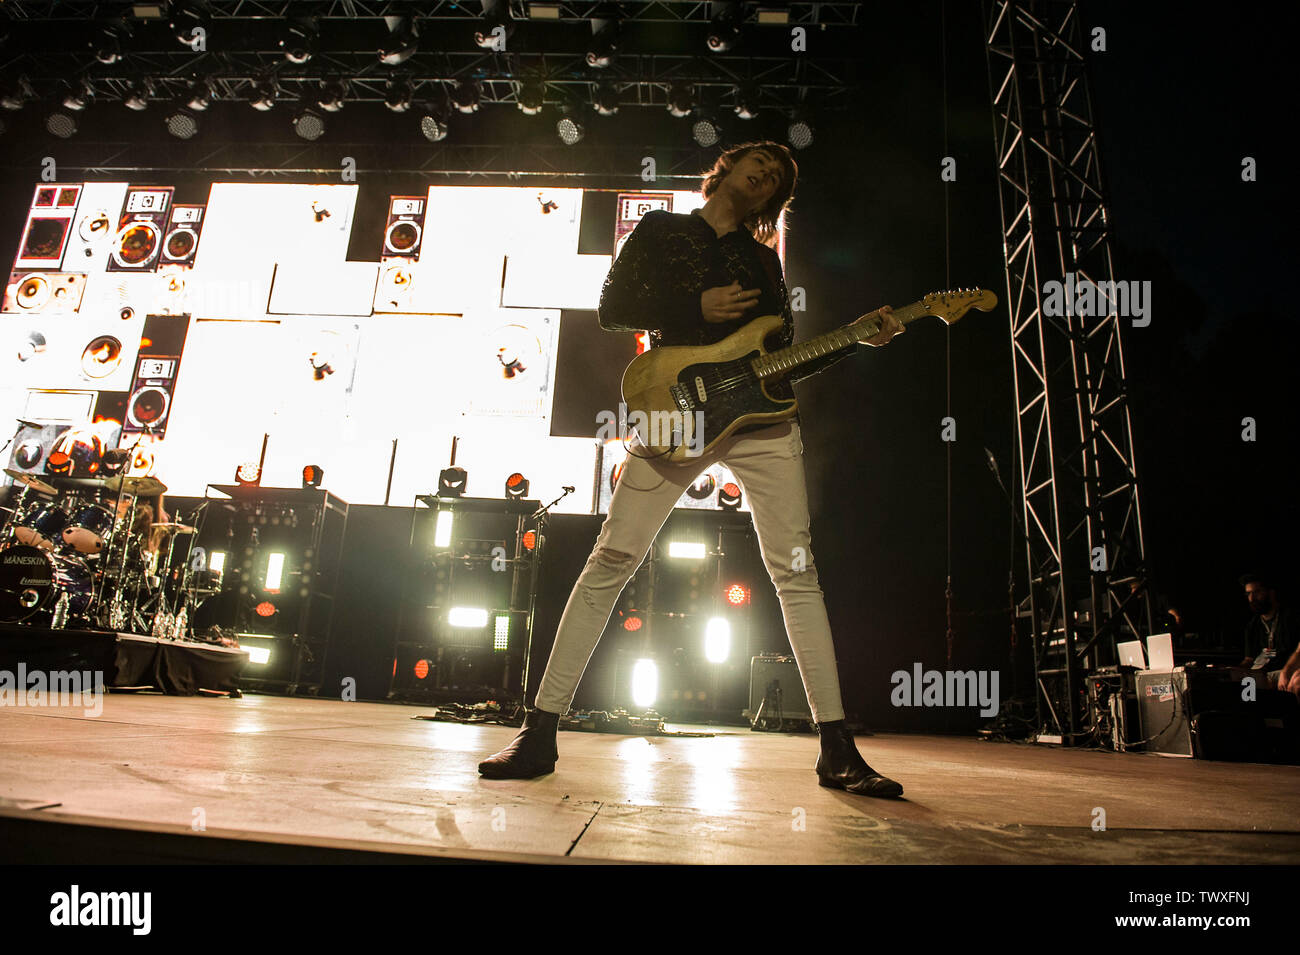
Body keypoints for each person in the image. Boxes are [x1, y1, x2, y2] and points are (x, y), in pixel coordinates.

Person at [479, 141, 908, 797]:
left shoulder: (765, 262)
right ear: (728, 168)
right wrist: (693, 310)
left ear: (773, 199)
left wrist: (855, 336)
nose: (766, 174)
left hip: (761, 424)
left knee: (797, 571)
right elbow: (613, 307)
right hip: (674, 408)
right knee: (612, 557)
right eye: (758, 161)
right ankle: (538, 733)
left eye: (778, 177)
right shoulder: (661, 231)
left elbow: (782, 357)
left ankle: (836, 748)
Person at [1238, 573, 1299, 694]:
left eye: (1256, 592)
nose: (1251, 599)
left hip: (1287, 671)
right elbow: (1249, 660)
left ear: (1271, 593)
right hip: (1264, 673)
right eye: (1248, 593)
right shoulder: (1253, 625)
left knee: (1253, 684)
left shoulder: (1291, 617)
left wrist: (1287, 671)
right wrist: (1233, 672)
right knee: (1244, 687)